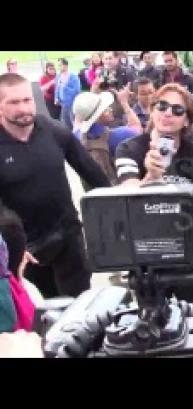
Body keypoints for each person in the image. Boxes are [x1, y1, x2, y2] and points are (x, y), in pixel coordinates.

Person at [0, 73, 110, 298]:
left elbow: (94, 174)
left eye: (27, 100)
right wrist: (12, 245)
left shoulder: (53, 130)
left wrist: (116, 209)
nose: (23, 108)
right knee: (44, 312)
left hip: (67, 236)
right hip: (26, 248)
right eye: (13, 102)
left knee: (79, 304)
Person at [115, 83, 193, 305]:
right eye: (162, 106)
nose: (168, 113)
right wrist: (150, 177)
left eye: (177, 110)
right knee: (152, 325)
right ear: (151, 109)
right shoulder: (128, 149)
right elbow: (127, 198)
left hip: (185, 253)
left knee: (192, 317)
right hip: (146, 254)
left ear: (187, 120)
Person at [73, 88, 142, 185]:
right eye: (105, 109)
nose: (110, 109)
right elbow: (137, 128)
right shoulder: (119, 135)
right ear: (97, 116)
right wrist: (124, 103)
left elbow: (77, 123)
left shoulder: (77, 136)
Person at [54, 58, 81, 129]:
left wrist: (65, 87)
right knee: (66, 121)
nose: (59, 67)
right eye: (58, 65)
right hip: (63, 104)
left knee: (73, 121)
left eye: (60, 65)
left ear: (65, 65)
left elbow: (76, 90)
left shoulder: (73, 76)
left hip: (71, 103)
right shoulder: (58, 76)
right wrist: (56, 98)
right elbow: (57, 88)